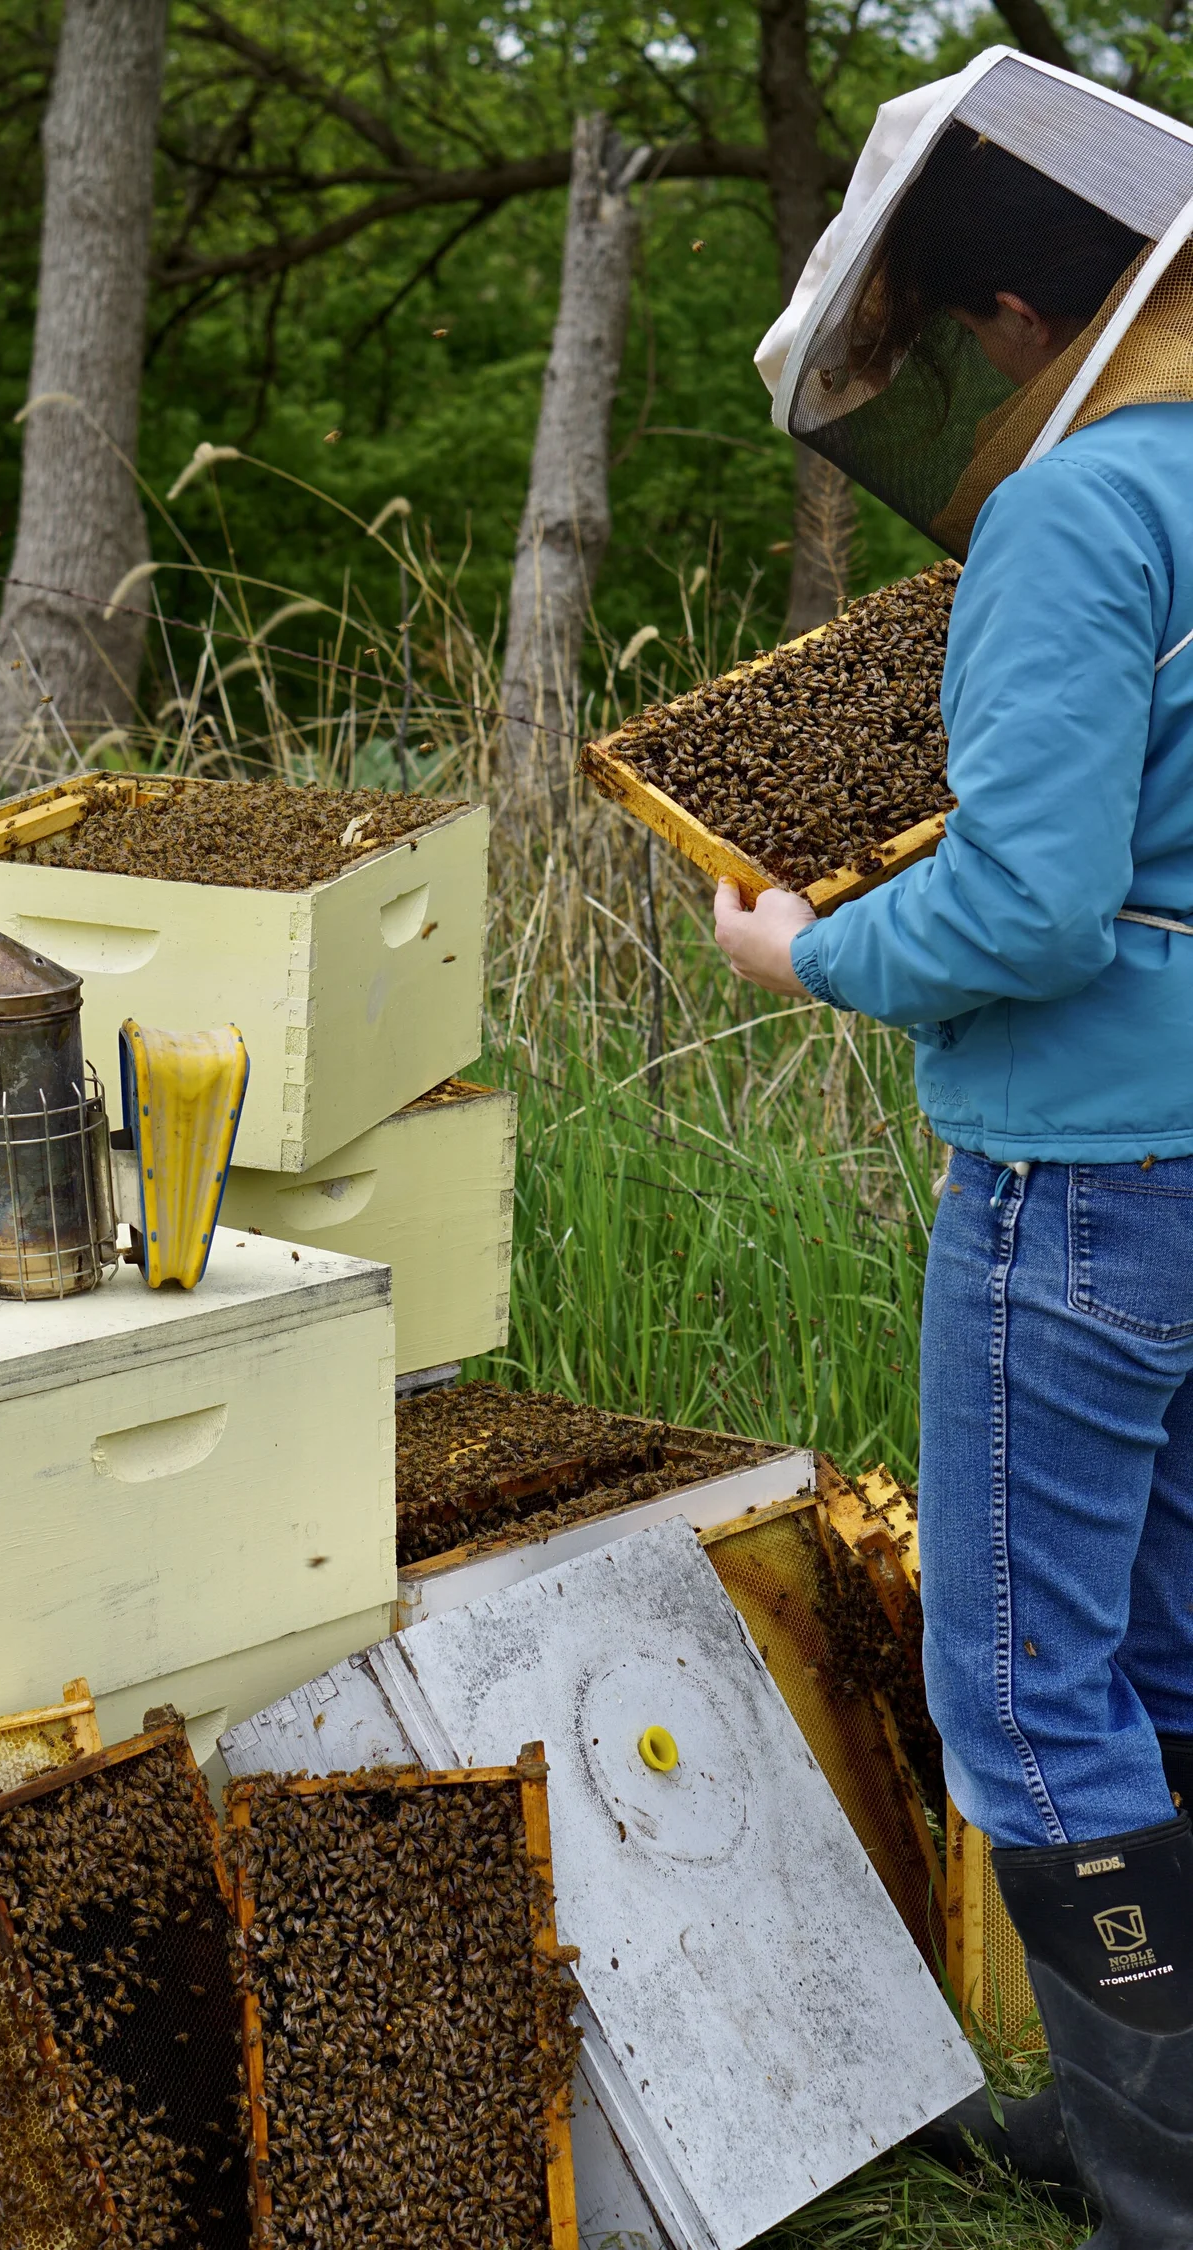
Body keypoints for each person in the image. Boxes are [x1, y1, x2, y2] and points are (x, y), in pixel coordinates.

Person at [719, 66, 1193, 2250]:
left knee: (1020, 1686)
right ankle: (1142, 2132)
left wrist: (813, 946)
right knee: (1170, 1657)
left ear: (1024, 318)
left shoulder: (1085, 508)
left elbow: (1024, 906)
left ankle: (1156, 2188)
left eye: (946, 347)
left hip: (1086, 1170)